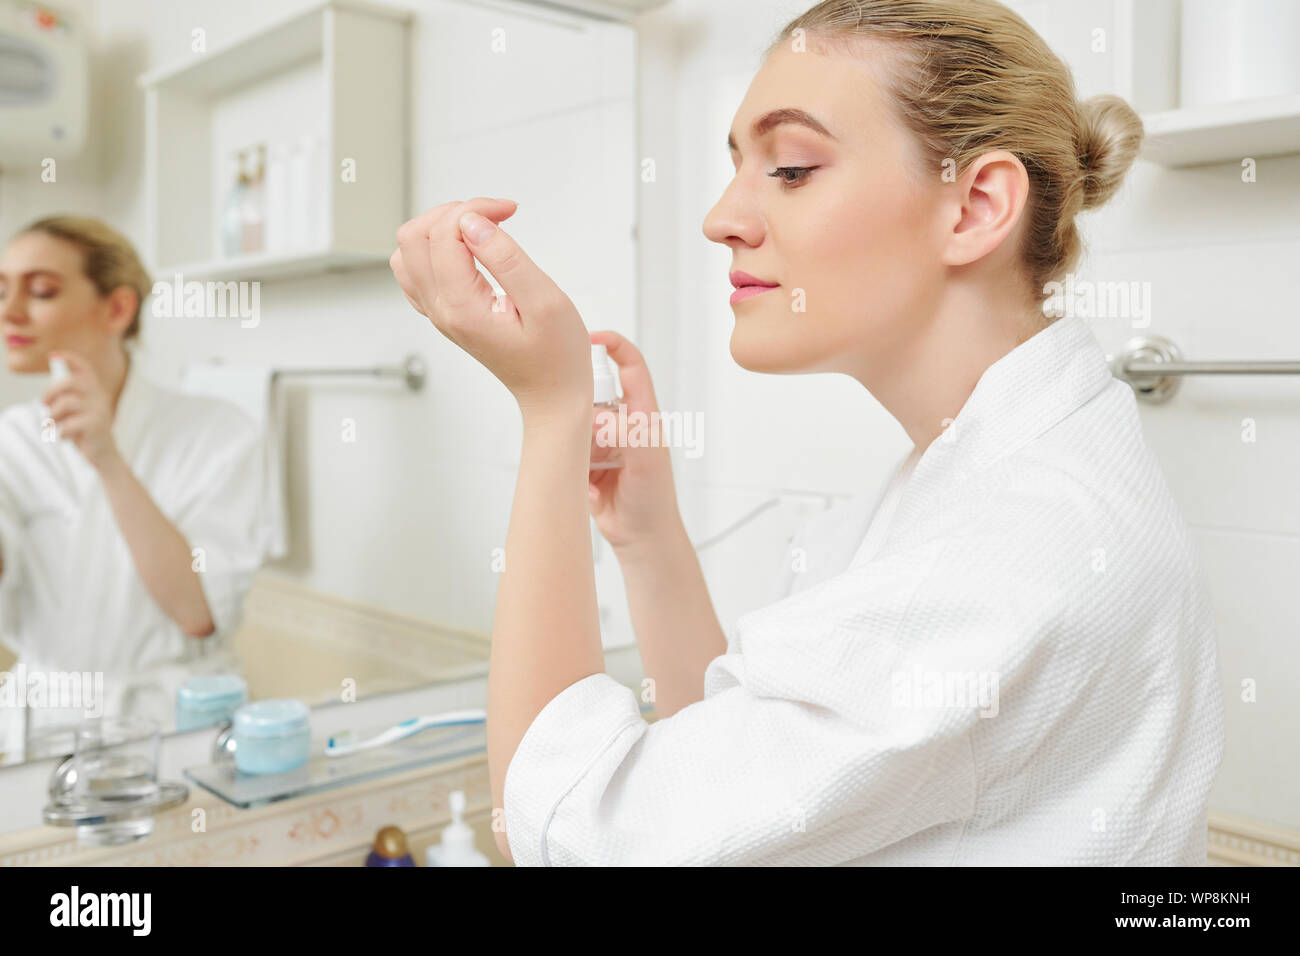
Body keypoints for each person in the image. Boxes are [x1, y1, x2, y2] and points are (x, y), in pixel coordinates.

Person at [390, 0, 1224, 865]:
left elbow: (574, 829)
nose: (721, 217)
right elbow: (738, 790)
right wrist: (648, 540)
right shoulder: (982, 476)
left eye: (790, 168)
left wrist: (553, 413)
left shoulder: (1013, 550)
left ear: (976, 206)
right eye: (739, 168)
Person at [0, 216, 270, 760]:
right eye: (1, 289)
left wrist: (107, 460)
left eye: (43, 290)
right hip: (44, 735)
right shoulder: (10, 440)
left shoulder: (218, 432)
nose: (10, 311)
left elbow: (198, 613)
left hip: (174, 729)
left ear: (117, 309)